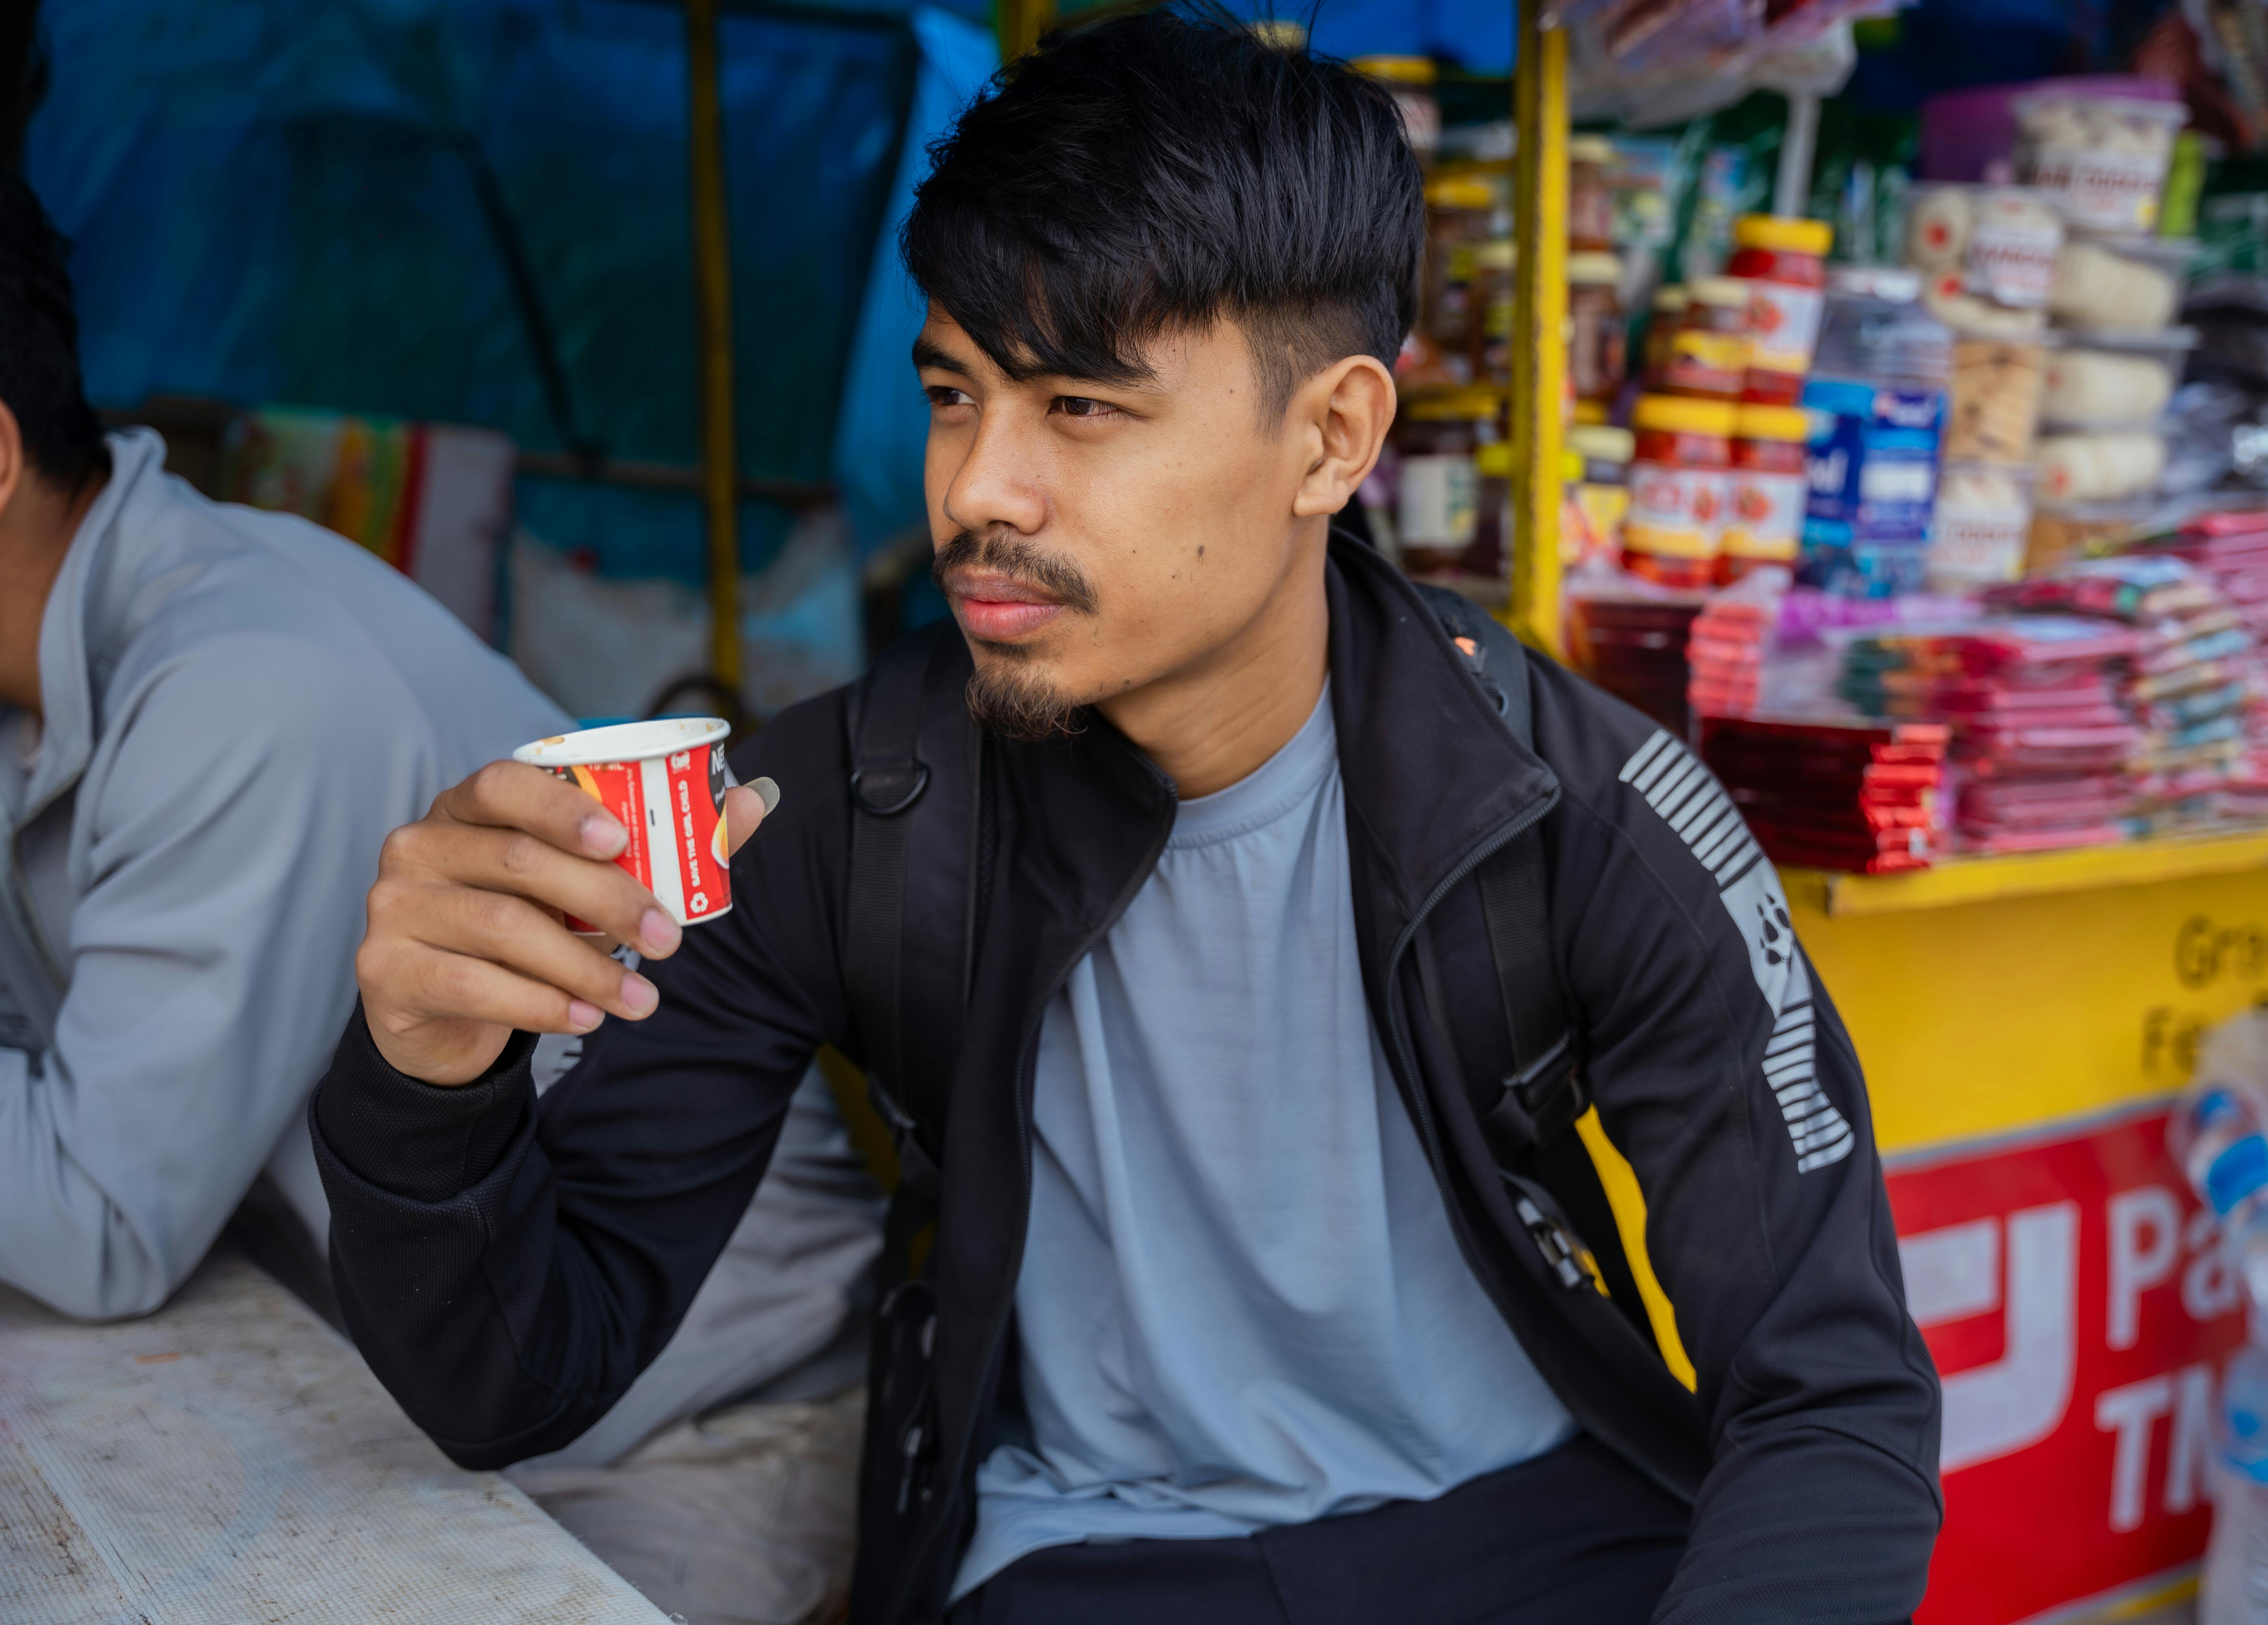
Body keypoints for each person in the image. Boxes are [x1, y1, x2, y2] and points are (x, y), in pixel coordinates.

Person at [312, 16, 1943, 1625]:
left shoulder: (1577, 814)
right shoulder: (840, 816)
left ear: (1333, 439)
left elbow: (1834, 1402)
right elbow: (516, 1380)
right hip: (1091, 1566)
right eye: (954, 393)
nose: (976, 490)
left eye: (1080, 407)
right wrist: (425, 1079)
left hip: (1539, 1541)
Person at [0, 171, 878, 1625]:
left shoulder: (237, 689)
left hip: (687, 1419)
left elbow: (99, 1224)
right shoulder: (45, 683)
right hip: (400, 1362)